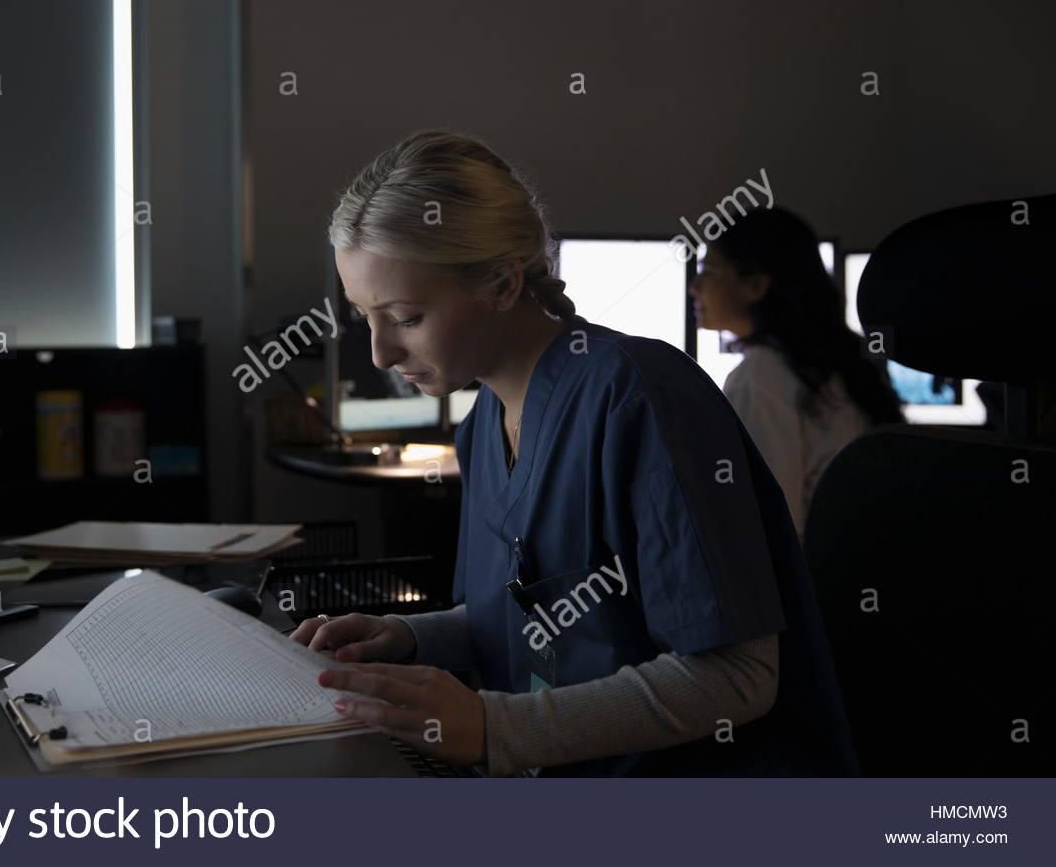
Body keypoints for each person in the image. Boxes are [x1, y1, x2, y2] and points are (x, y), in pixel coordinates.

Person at [291, 130, 858, 776]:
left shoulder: (640, 396)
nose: (380, 353)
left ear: (503, 284)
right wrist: (416, 637)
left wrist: (498, 727)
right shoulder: (482, 426)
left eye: (405, 317)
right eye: (366, 316)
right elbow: (541, 616)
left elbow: (735, 676)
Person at [689, 208, 905, 541]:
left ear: (755, 285)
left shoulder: (759, 379)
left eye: (709, 270)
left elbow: (768, 532)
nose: (695, 287)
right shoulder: (837, 361)